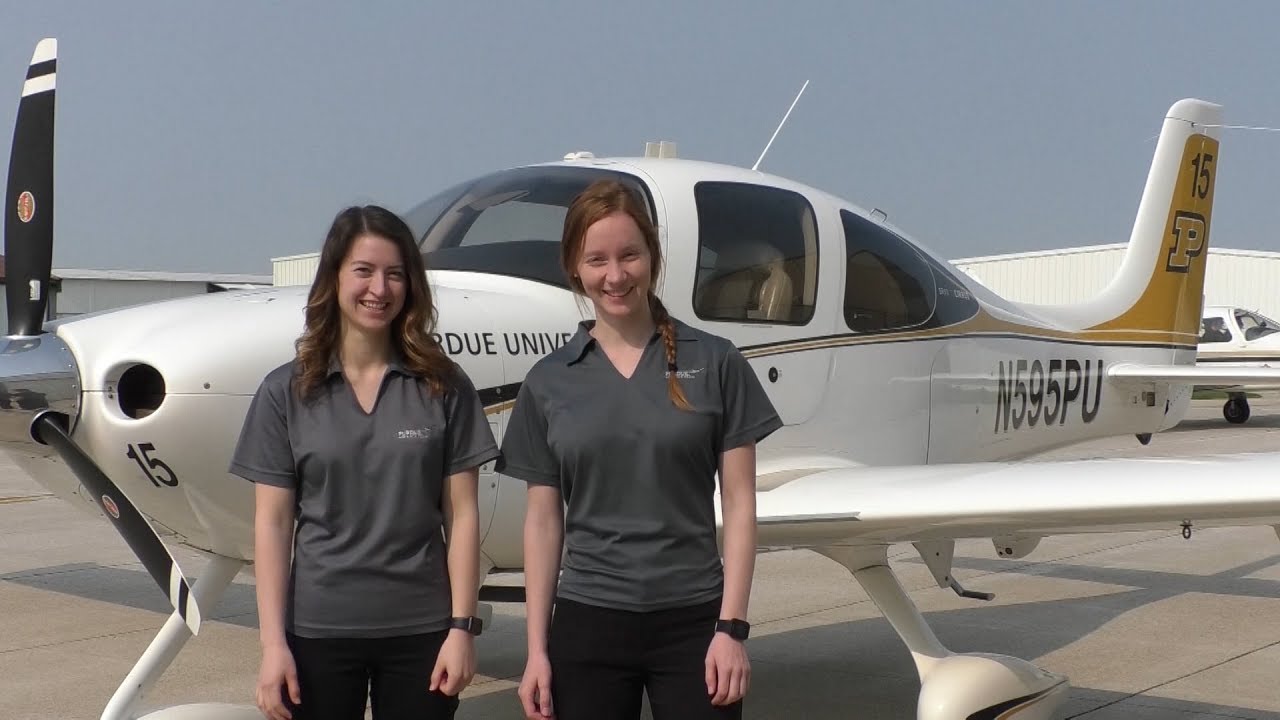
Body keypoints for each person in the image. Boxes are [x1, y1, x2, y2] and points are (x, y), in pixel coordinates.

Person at [498, 179, 782, 720]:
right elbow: (542, 523)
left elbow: (741, 505)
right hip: (588, 628)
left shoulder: (718, 362)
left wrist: (732, 628)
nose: (615, 275)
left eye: (630, 255)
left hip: (696, 628)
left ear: (652, 257)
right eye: (597, 260)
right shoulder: (549, 381)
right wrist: (536, 651)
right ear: (575, 269)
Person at [230, 205, 498, 720]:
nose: (380, 288)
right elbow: (272, 523)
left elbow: (463, 517)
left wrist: (461, 628)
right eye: (364, 270)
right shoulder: (284, 392)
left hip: (423, 633)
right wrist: (272, 647)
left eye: (395, 274)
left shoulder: (444, 385)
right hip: (317, 633)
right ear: (333, 277)